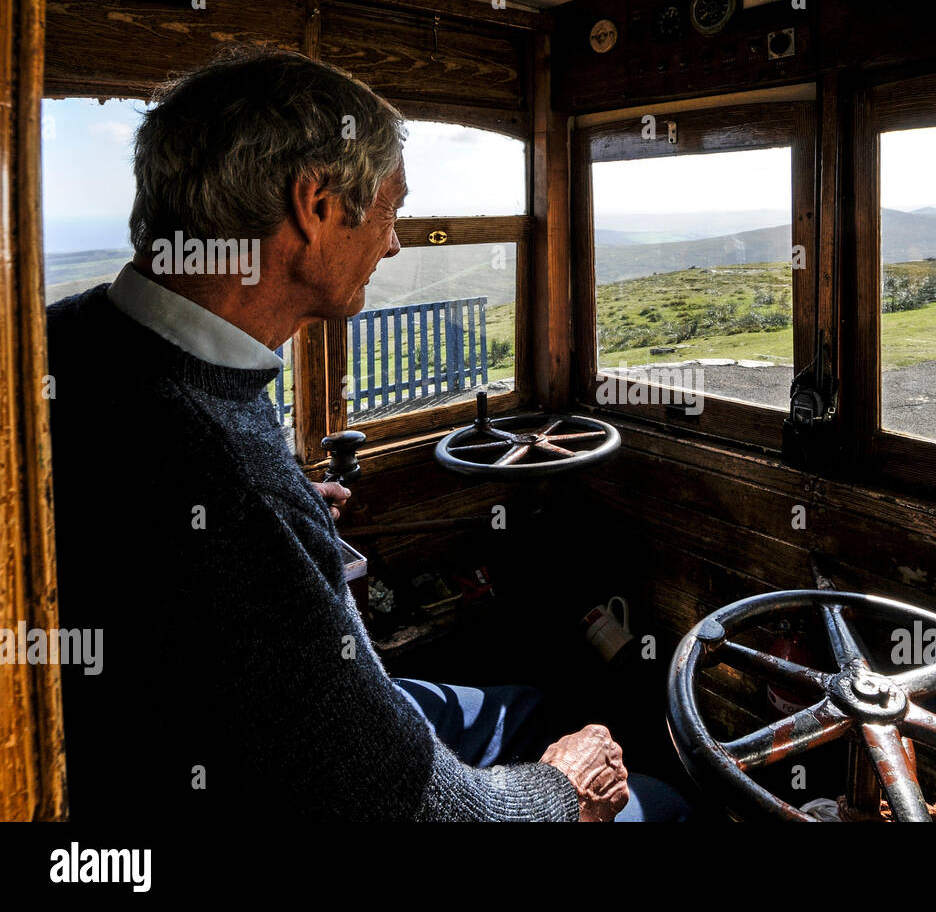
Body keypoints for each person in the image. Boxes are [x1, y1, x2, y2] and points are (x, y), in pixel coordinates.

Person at [45, 47, 682, 821]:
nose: (394, 243)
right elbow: (412, 809)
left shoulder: (65, 339)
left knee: (528, 702)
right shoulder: (235, 494)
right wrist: (562, 789)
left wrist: (284, 514)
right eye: (391, 209)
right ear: (314, 206)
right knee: (655, 801)